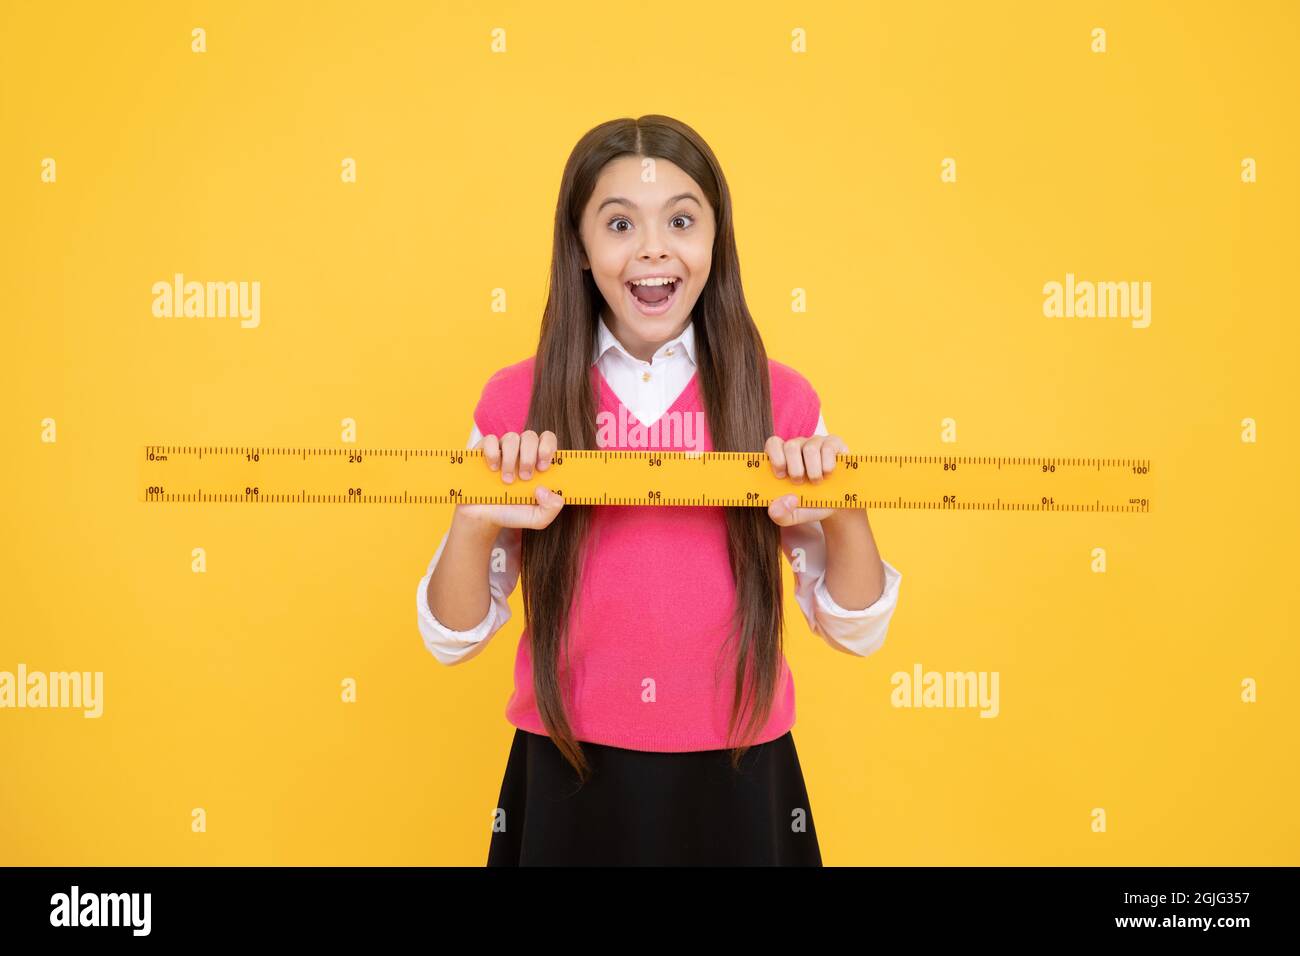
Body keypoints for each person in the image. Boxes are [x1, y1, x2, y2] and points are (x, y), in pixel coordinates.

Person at [417, 115, 902, 865]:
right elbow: (450, 637)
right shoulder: (517, 402)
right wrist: (475, 523)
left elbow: (858, 628)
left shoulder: (781, 400)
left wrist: (846, 513)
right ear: (579, 247)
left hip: (741, 777)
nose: (652, 249)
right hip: (569, 772)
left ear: (717, 241)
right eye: (618, 224)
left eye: (681, 219)